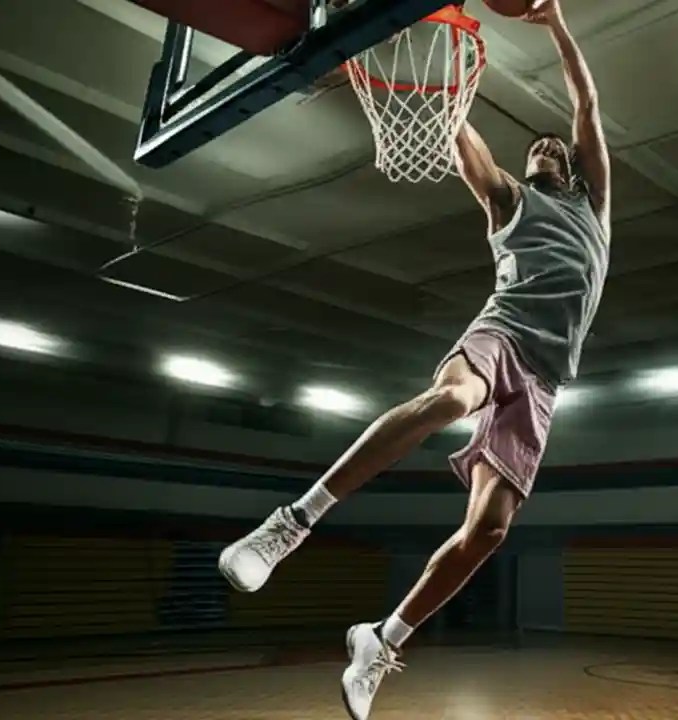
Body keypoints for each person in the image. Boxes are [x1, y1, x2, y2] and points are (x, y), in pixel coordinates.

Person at [217, 1, 609, 717]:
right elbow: (456, 132)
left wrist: (554, 20)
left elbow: (585, 100)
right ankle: (290, 524)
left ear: (578, 169)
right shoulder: (508, 200)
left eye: (557, 148)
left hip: (547, 382)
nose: (546, 148)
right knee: (452, 402)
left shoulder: (594, 209)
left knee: (490, 529)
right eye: (536, 148)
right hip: (503, 334)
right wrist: (411, 63)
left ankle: (380, 639)